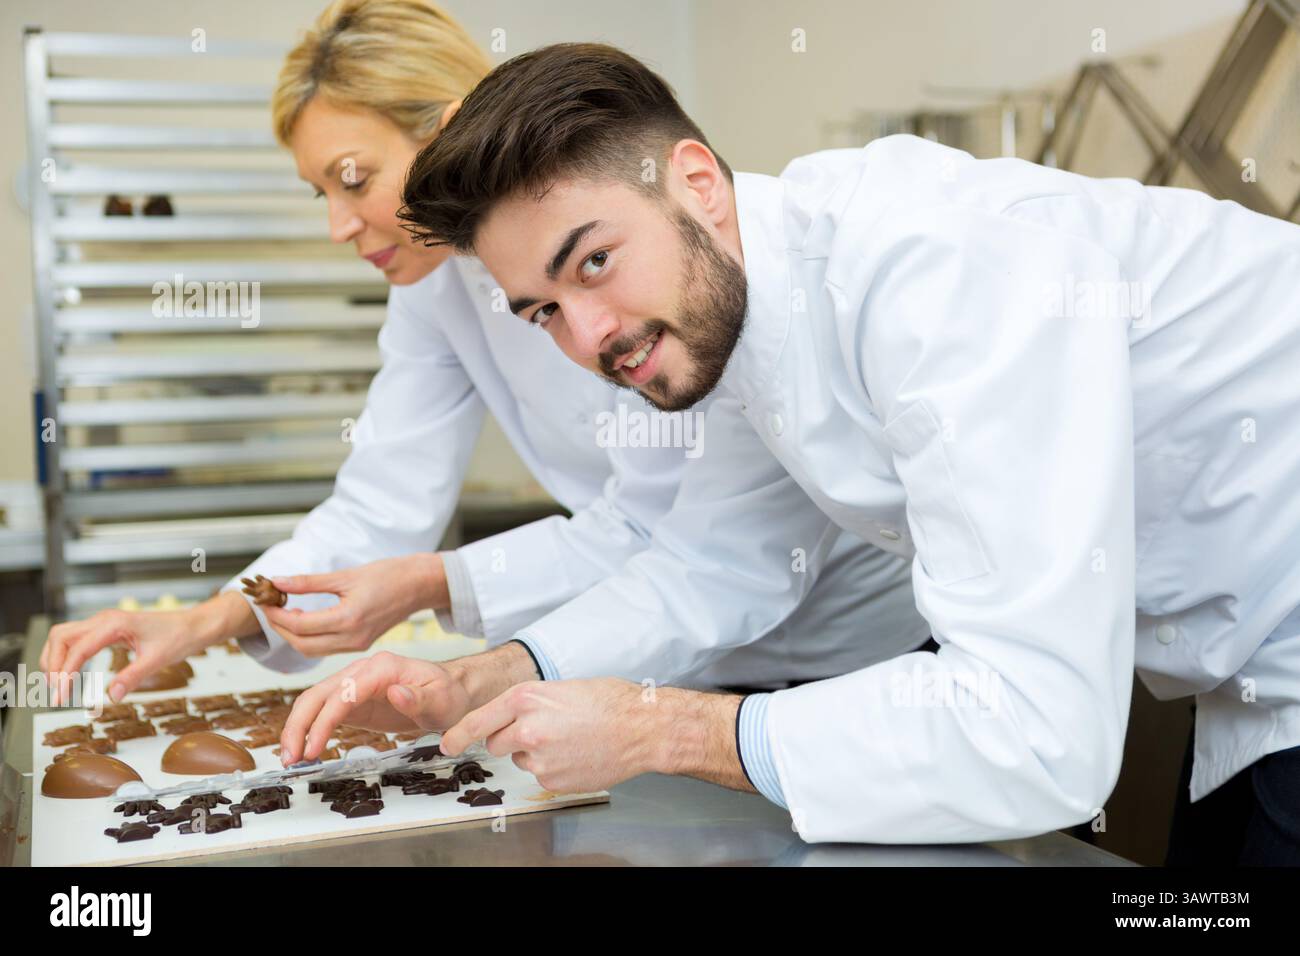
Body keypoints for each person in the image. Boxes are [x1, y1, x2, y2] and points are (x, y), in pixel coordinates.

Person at [284, 42, 1300, 862]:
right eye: (544, 308)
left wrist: (660, 729)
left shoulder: (937, 271)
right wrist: (490, 675)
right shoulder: (739, 314)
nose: (588, 336)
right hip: (1239, 669)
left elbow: (1037, 730)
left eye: (594, 261)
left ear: (694, 181)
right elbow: (714, 559)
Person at [40, 5, 927, 710]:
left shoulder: (647, 275)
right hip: (657, 650)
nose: (338, 226)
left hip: (840, 655)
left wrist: (439, 589)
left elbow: (672, 538)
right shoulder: (435, 292)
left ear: (447, 124)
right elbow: (379, 502)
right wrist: (216, 614)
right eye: (319, 193)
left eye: (355, 179)